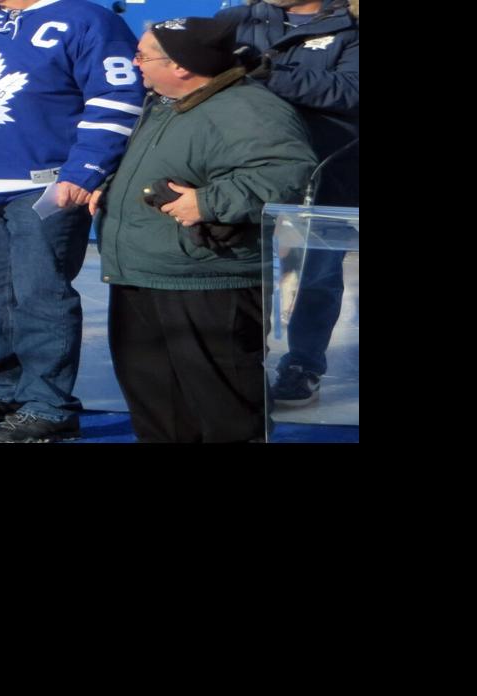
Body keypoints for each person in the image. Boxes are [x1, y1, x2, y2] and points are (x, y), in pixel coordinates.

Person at [0, 0, 142, 443]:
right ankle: (3, 389)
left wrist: (85, 171)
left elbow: (118, 98)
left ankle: (49, 405)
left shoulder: (90, 20)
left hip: (49, 185)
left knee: (41, 293)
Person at [90, 17, 314, 441]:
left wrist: (207, 202)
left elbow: (288, 174)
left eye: (142, 55)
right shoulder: (166, 103)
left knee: (222, 412)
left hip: (208, 282)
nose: (133, 63)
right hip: (142, 274)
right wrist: (110, 187)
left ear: (181, 66)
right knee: (158, 408)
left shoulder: (248, 109)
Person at [216, 0, 358, 407]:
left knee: (316, 277)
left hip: (328, 172)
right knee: (235, 270)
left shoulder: (351, 27)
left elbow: (350, 90)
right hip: (242, 167)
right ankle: (236, 362)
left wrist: (268, 73)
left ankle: (303, 364)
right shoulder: (235, 18)